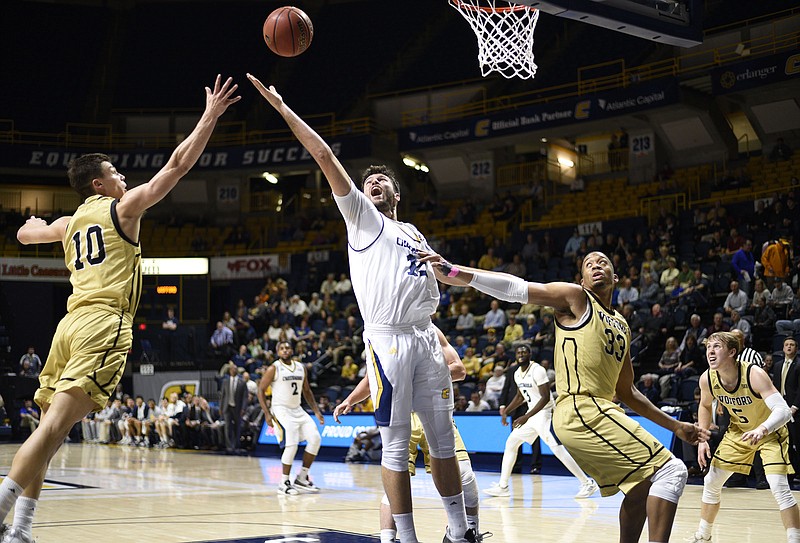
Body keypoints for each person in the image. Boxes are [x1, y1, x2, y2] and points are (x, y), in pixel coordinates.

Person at [0, 75, 239, 543]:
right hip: (103, 323)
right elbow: (176, 165)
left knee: (51, 432)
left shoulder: (69, 223)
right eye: (116, 173)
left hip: (67, 327)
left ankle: (21, 530)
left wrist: (29, 228)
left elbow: (28, 234)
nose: (124, 178)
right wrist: (209, 117)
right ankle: (4, 508)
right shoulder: (123, 209)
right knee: (50, 431)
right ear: (99, 183)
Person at [249, 74, 473, 543]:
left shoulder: (411, 229)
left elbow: (442, 277)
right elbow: (326, 157)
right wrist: (284, 108)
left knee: (443, 444)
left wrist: (452, 272)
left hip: (426, 335)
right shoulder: (362, 218)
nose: (371, 182)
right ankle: (406, 538)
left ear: (397, 192)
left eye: (381, 180)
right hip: (388, 338)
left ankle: (459, 532)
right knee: (395, 449)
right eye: (367, 180)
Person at [423, 249, 708, 543]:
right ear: (581, 280)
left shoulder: (622, 325)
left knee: (640, 489)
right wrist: (456, 271)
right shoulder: (577, 299)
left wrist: (674, 426)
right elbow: (515, 288)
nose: (596, 265)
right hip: (580, 409)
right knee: (672, 470)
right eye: (589, 264)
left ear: (616, 277)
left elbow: (628, 392)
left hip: (600, 411)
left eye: (603, 262)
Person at [334, 326, 487, 543]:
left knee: (465, 476)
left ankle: (467, 533)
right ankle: (388, 539)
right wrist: (350, 400)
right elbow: (373, 379)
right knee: (394, 486)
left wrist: (424, 380)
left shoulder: (431, 330)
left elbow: (459, 370)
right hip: (403, 415)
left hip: (434, 408)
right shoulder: (384, 332)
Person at [689, 332, 798, 543]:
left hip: (770, 431)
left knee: (778, 486)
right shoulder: (707, 378)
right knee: (711, 481)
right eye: (708, 347)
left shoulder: (754, 374)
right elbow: (704, 405)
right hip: (739, 431)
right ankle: (703, 535)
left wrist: (762, 429)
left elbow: (783, 411)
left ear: (732, 352)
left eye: (716, 347)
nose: (710, 351)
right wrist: (702, 439)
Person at [483, 345, 598, 499]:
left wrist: (526, 416)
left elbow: (545, 398)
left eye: (524, 352)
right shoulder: (517, 373)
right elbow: (519, 396)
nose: (521, 354)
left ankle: (587, 483)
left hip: (546, 414)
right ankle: (503, 486)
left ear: (530, 354)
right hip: (532, 416)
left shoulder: (537, 370)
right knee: (511, 443)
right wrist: (506, 411)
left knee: (557, 449)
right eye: (518, 352)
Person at [258, 340, 324, 494]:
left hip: (297, 409)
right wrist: (267, 413)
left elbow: (307, 391)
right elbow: (261, 390)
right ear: (277, 351)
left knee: (315, 439)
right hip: (281, 410)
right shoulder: (274, 368)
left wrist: (316, 411)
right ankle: (284, 482)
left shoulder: (301, 367)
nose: (285, 350)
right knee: (292, 443)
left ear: (292, 350)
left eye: (287, 347)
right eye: (282, 348)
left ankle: (302, 477)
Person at [220, 363, 248, 454]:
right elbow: (222, 396)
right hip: (227, 407)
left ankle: (236, 446)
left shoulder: (242, 382)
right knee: (227, 427)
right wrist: (221, 407)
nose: (234, 370)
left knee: (237, 427)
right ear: (229, 371)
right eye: (232, 369)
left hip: (238, 408)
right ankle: (229, 447)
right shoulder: (225, 381)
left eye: (235, 369)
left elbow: (245, 397)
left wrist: (243, 408)